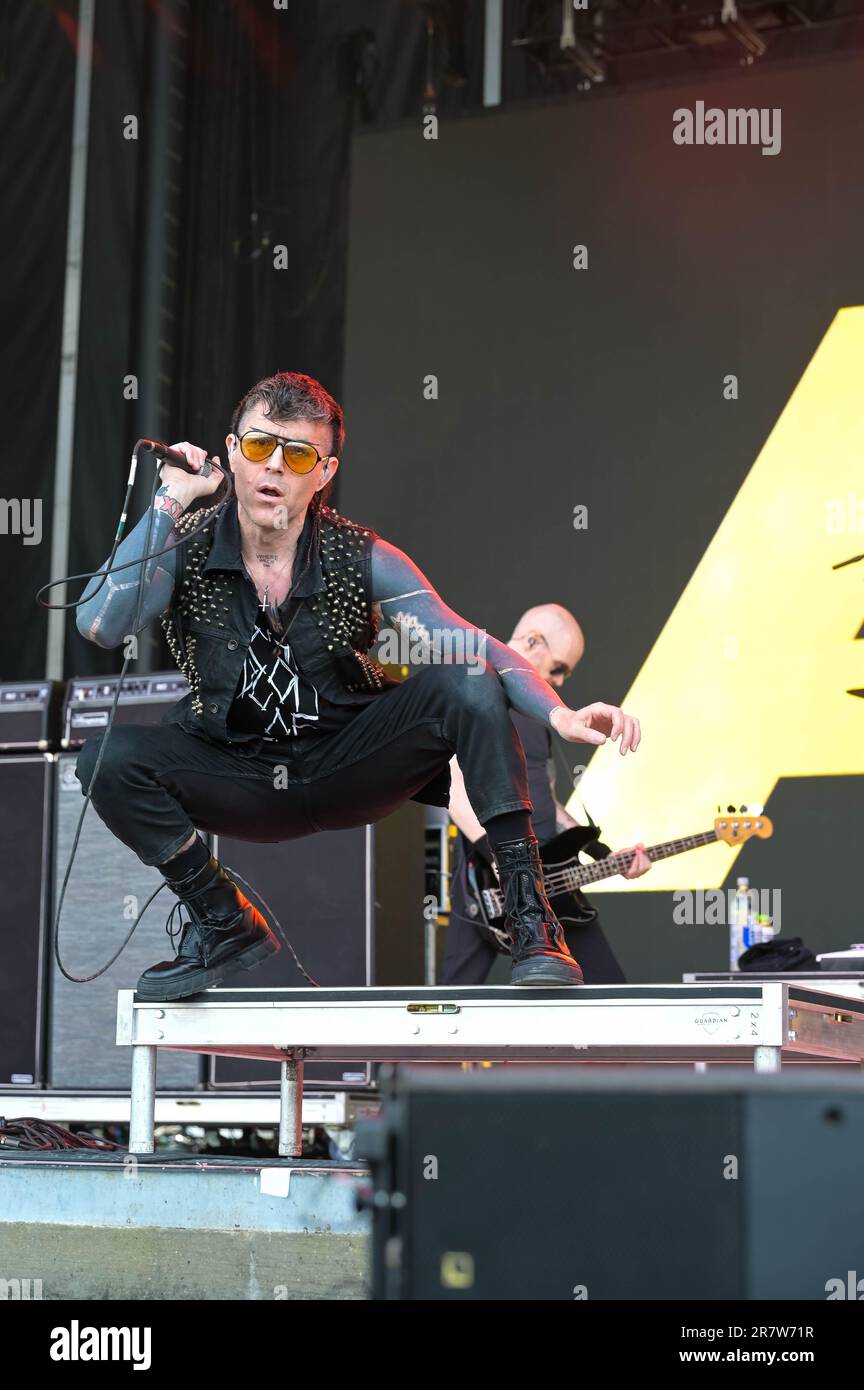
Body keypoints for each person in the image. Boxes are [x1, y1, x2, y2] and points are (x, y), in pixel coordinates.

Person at [76, 371, 641, 1001]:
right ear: (232, 453)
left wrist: (559, 714)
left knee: (467, 678)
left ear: (324, 473)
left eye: (298, 456)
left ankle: (532, 920)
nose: (275, 468)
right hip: (237, 773)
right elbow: (101, 623)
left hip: (348, 765)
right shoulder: (184, 543)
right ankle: (222, 920)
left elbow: (472, 642)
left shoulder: (361, 555)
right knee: (106, 759)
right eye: (260, 447)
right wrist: (169, 500)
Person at [442, 604, 651, 984]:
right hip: (489, 874)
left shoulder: (539, 712)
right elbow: (452, 783)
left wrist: (603, 855)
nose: (559, 682)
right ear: (533, 641)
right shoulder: (475, 683)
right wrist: (500, 858)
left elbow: (545, 801)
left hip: (549, 872)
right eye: (558, 669)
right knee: (455, 1000)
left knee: (609, 991)